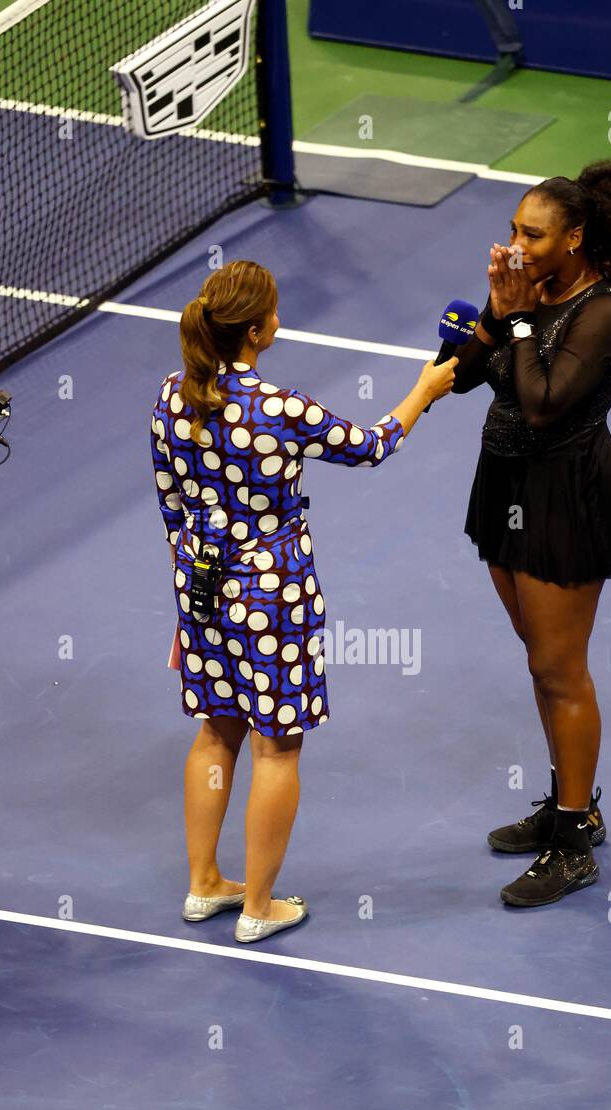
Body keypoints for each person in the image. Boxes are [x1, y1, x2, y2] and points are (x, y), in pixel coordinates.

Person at [151, 260, 456, 942]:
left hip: (199, 585)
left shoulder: (172, 396)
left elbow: (173, 508)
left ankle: (204, 885)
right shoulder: (280, 409)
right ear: (259, 330)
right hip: (274, 594)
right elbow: (372, 445)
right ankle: (258, 906)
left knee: (214, 730)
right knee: (277, 749)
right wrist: (425, 389)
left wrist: (190, 604)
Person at [452, 159, 611, 908]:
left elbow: (542, 402)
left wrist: (511, 317)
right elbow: (467, 373)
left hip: (567, 498)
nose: (517, 243)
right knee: (541, 663)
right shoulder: (525, 287)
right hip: (505, 486)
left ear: (574, 239)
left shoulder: (605, 314)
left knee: (560, 667)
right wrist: (483, 321)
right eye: (514, 229)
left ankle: (573, 841)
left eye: (533, 234)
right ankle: (571, 805)